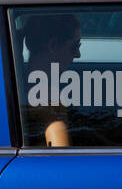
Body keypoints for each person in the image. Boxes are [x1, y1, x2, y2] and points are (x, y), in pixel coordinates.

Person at [22, 13, 82, 147]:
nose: (78, 54)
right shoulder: (44, 97)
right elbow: (61, 155)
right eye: (75, 46)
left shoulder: (28, 85)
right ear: (53, 45)